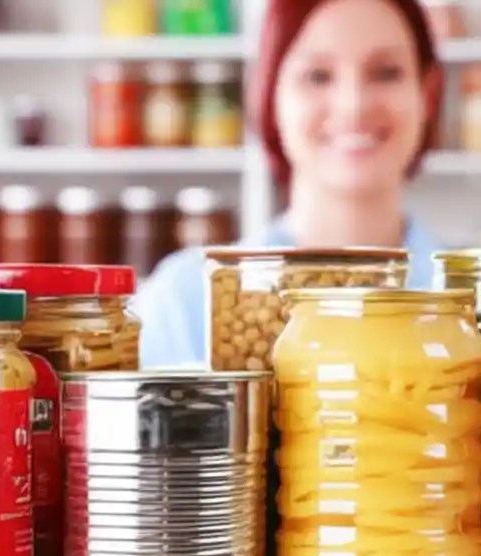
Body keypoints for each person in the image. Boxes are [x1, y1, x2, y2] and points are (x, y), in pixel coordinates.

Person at [134, 0, 444, 368]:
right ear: (270, 92)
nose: (353, 105)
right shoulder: (184, 300)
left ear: (427, 93)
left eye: (387, 73)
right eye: (317, 75)